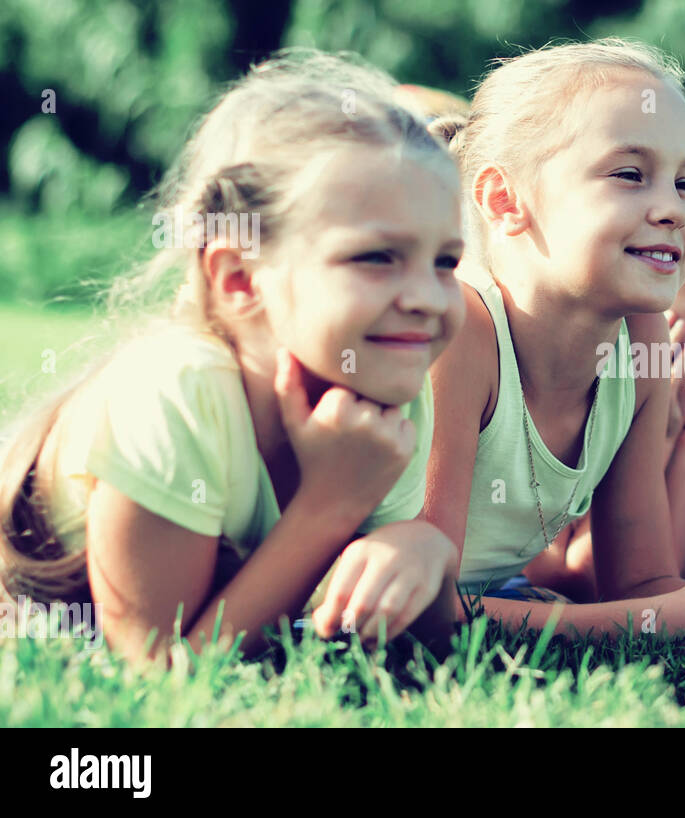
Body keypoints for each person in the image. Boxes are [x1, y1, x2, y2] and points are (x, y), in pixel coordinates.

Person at [0, 51, 465, 664]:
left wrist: (424, 553)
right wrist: (331, 506)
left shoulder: (394, 381)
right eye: (377, 257)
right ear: (240, 278)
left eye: (446, 262)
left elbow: (401, 647)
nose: (428, 298)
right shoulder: (178, 392)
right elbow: (161, 672)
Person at [423, 39, 685, 640]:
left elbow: (640, 586)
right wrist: (668, 618)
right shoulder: (459, 334)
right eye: (630, 174)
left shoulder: (641, 344)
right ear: (505, 200)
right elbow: (424, 610)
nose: (671, 208)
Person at [522, 179, 685, 600]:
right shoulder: (590, 396)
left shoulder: (668, 432)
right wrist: (661, 424)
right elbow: (581, 579)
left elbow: (669, 573)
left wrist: (682, 441)